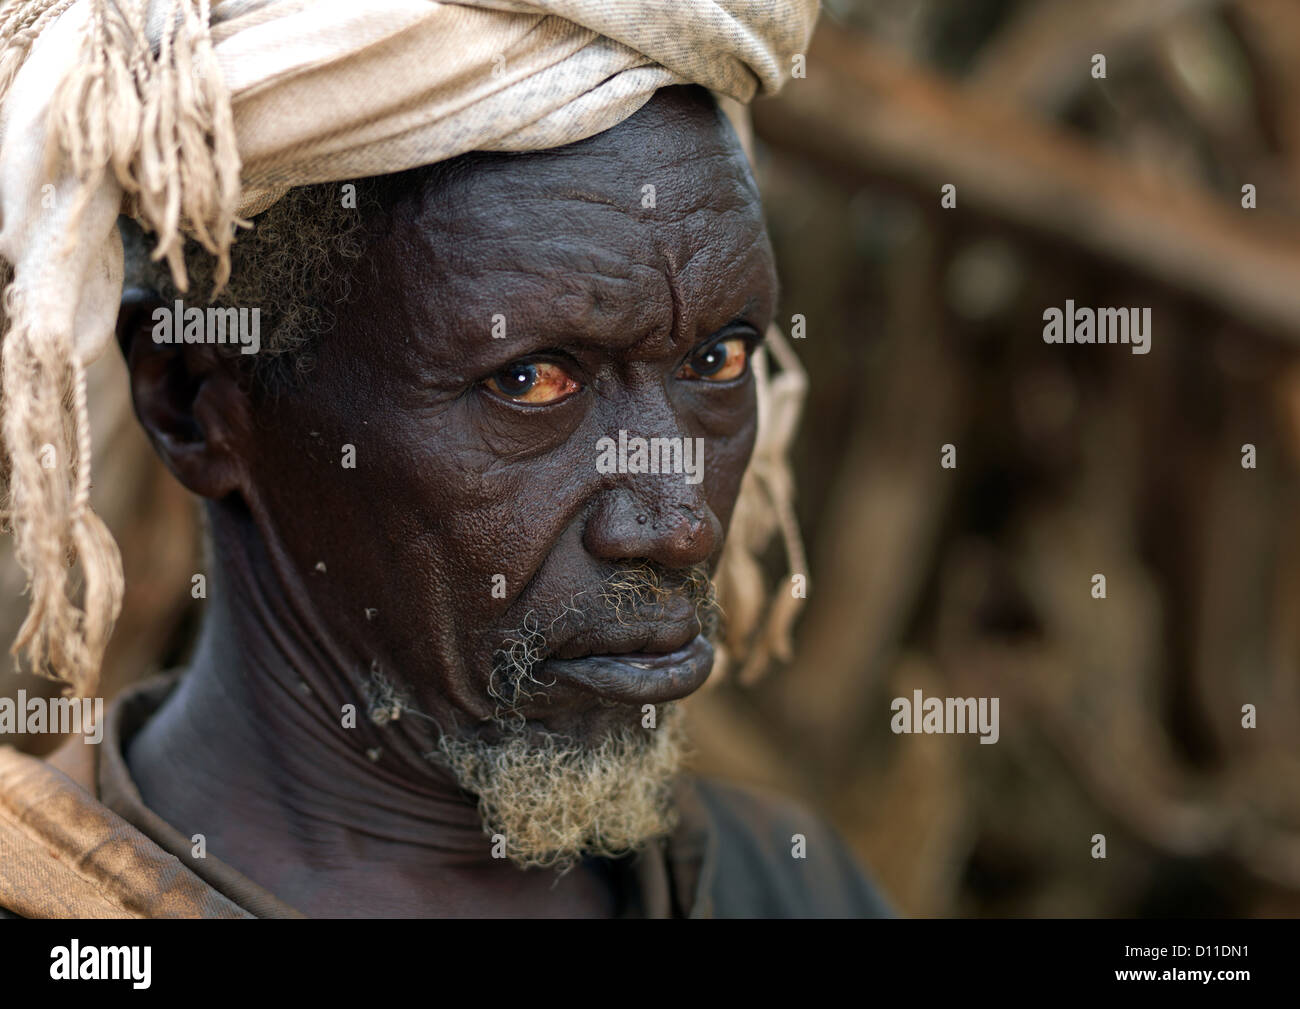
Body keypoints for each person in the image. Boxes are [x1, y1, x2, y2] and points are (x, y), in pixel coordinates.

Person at [0, 0, 889, 917]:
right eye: (535, 381)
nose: (678, 523)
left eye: (717, 361)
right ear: (194, 404)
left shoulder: (787, 884)